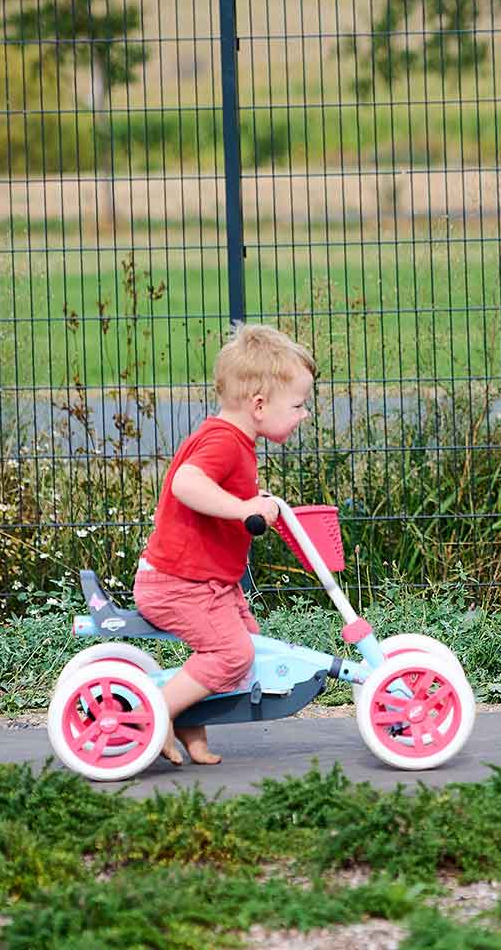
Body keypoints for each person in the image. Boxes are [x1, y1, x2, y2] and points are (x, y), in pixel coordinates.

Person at [134, 323, 315, 764]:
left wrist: (251, 500)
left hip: (206, 582)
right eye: (297, 405)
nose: (304, 414)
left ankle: (187, 720)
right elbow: (186, 483)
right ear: (259, 404)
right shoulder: (224, 443)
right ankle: (155, 714)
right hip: (179, 584)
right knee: (232, 653)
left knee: (248, 646)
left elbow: (214, 490)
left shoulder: (231, 438)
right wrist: (243, 508)